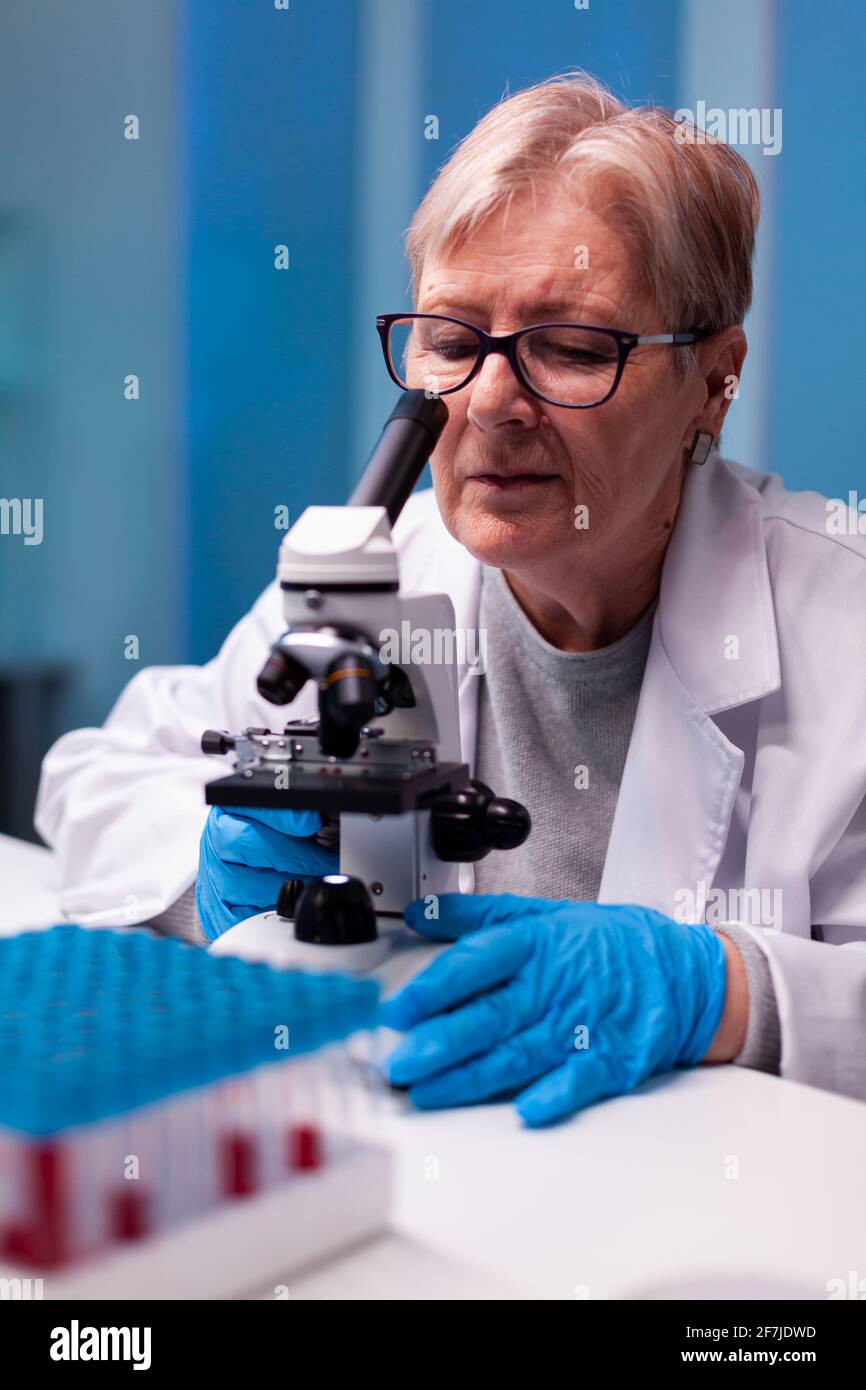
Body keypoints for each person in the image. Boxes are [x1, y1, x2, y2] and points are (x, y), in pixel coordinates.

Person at [36, 73, 866, 1126]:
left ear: (713, 378)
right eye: (450, 340)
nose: (486, 403)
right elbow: (93, 774)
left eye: (570, 348)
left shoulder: (841, 624)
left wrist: (724, 991)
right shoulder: (394, 564)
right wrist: (203, 871)